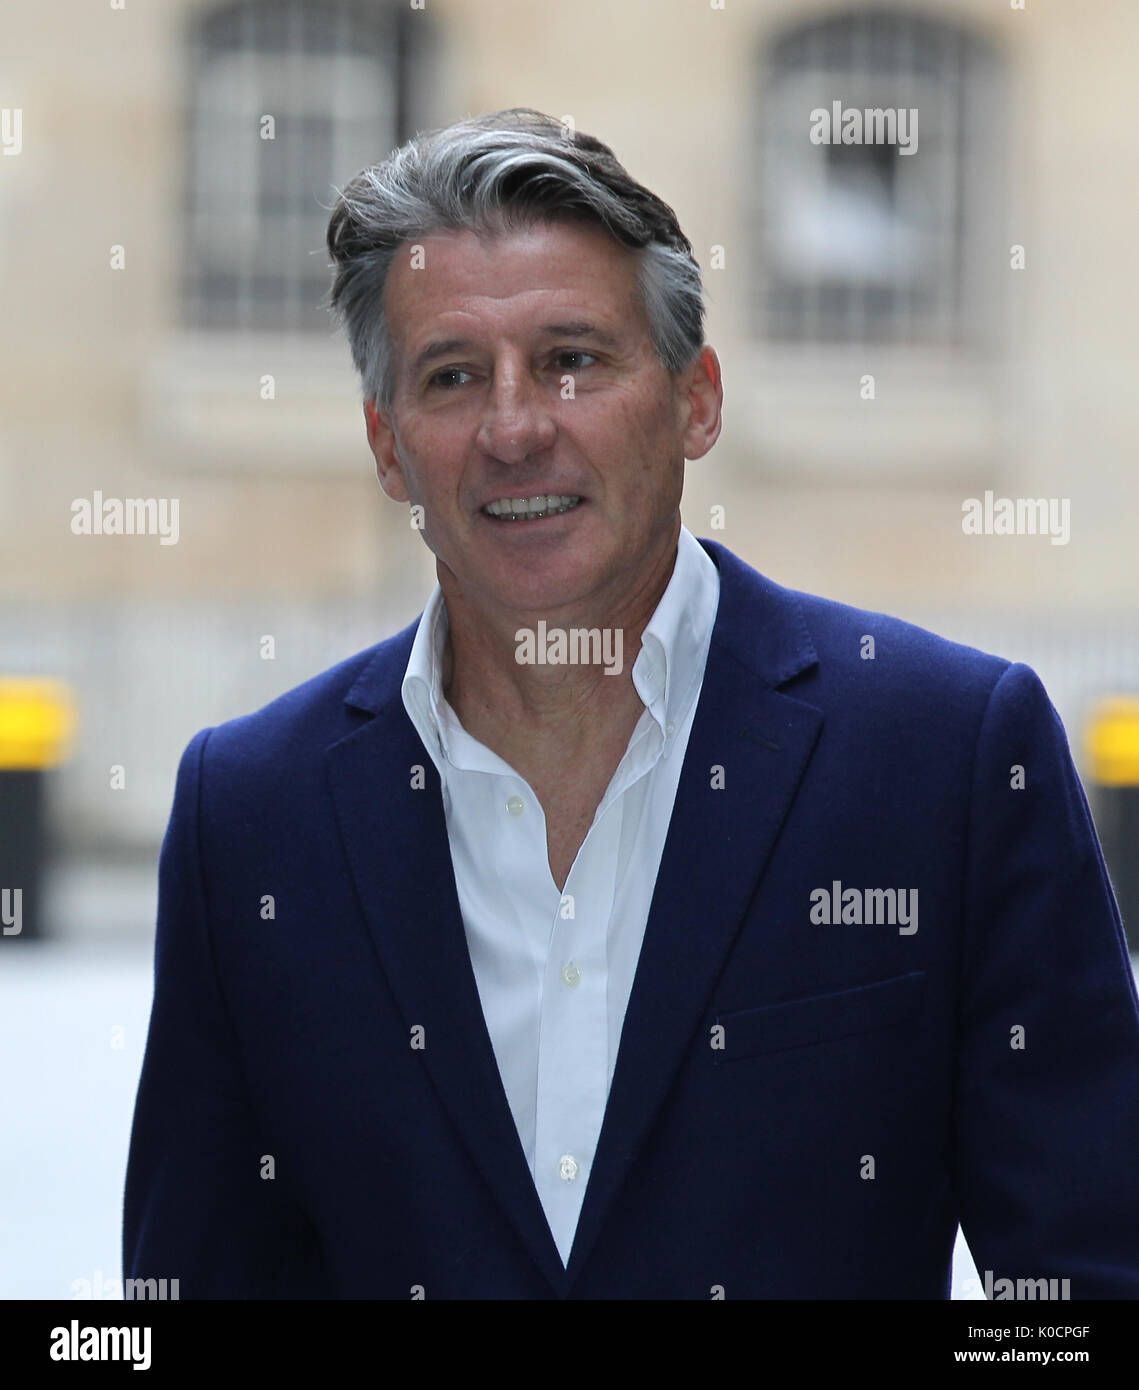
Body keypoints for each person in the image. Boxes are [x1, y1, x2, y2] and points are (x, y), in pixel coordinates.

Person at [122, 109, 1139, 1299]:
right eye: (452, 377)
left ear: (694, 401)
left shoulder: (946, 756)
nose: (514, 428)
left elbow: (1080, 1286)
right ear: (387, 446)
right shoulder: (251, 812)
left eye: (572, 360)